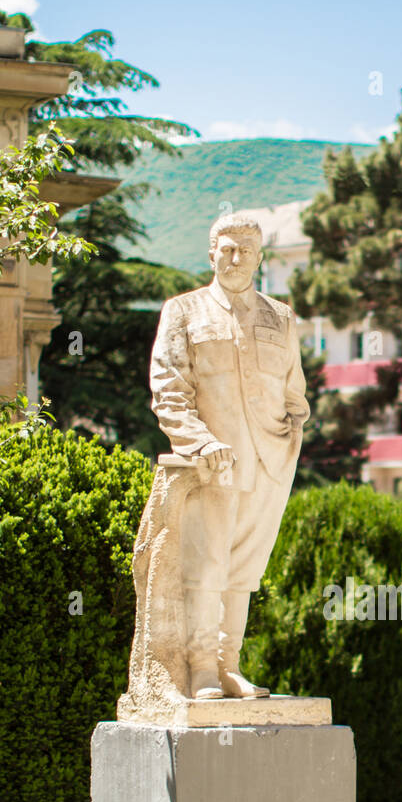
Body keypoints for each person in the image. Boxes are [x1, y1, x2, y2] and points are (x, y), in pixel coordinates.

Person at [148, 212, 310, 699]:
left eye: (246, 250)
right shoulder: (184, 311)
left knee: (244, 572)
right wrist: (199, 442)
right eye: (227, 248)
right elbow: (169, 389)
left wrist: (290, 433)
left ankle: (229, 666)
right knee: (207, 566)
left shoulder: (280, 317)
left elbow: (294, 392)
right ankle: (200, 670)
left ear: (260, 258)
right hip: (212, 465)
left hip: (270, 463)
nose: (236, 258)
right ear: (211, 252)